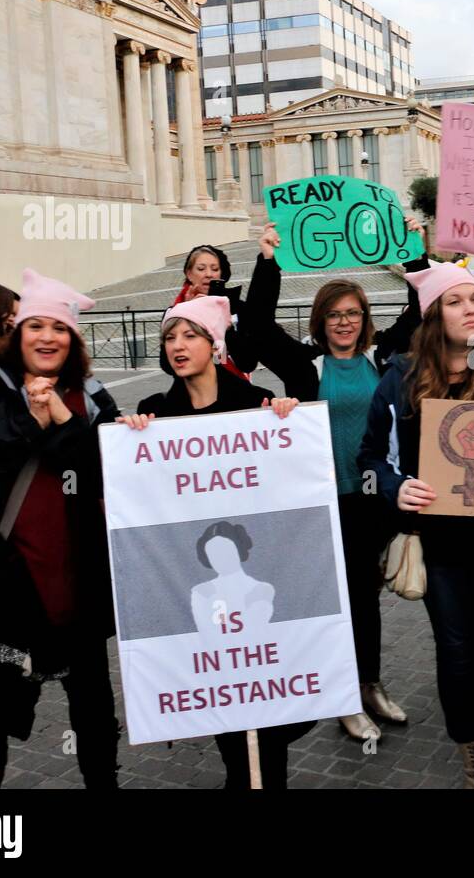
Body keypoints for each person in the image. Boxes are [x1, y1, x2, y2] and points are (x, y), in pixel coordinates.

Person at [243, 215, 432, 744]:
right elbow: (257, 328)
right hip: (326, 503)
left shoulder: (383, 357)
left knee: (365, 597)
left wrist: (414, 250)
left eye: (353, 314)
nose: (345, 323)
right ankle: (344, 695)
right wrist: (267, 262)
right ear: (320, 320)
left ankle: (367, 685)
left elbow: (419, 310)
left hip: (374, 500)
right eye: (334, 315)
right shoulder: (306, 367)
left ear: (365, 318)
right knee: (341, 599)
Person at [0, 269, 121, 788]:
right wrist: (26, 424)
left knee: (94, 717)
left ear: (73, 340)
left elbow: (102, 472)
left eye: (59, 329)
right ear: (17, 333)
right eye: (35, 325)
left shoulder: (90, 395)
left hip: (75, 585)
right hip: (2, 588)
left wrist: (59, 415)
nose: (47, 337)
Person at [358, 260, 474, 789]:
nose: (470, 310)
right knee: (458, 658)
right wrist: (397, 488)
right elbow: (370, 462)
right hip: (442, 549)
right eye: (456, 301)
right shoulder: (401, 378)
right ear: (433, 314)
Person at [121, 295, 311, 789]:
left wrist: (287, 421)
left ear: (214, 344)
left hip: (258, 576)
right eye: (170, 338)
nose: (177, 347)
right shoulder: (155, 411)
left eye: (189, 336)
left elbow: (285, 482)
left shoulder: (255, 404)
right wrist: (134, 438)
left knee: (268, 712)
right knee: (228, 705)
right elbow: (146, 495)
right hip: (198, 581)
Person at [170, 244, 257, 380]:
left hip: (234, 391)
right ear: (189, 274)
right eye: (201, 269)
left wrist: (225, 328)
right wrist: (186, 314)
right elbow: (167, 365)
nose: (209, 274)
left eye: (215, 269)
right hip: (192, 393)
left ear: (221, 273)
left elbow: (247, 363)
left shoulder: (236, 308)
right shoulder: (174, 312)